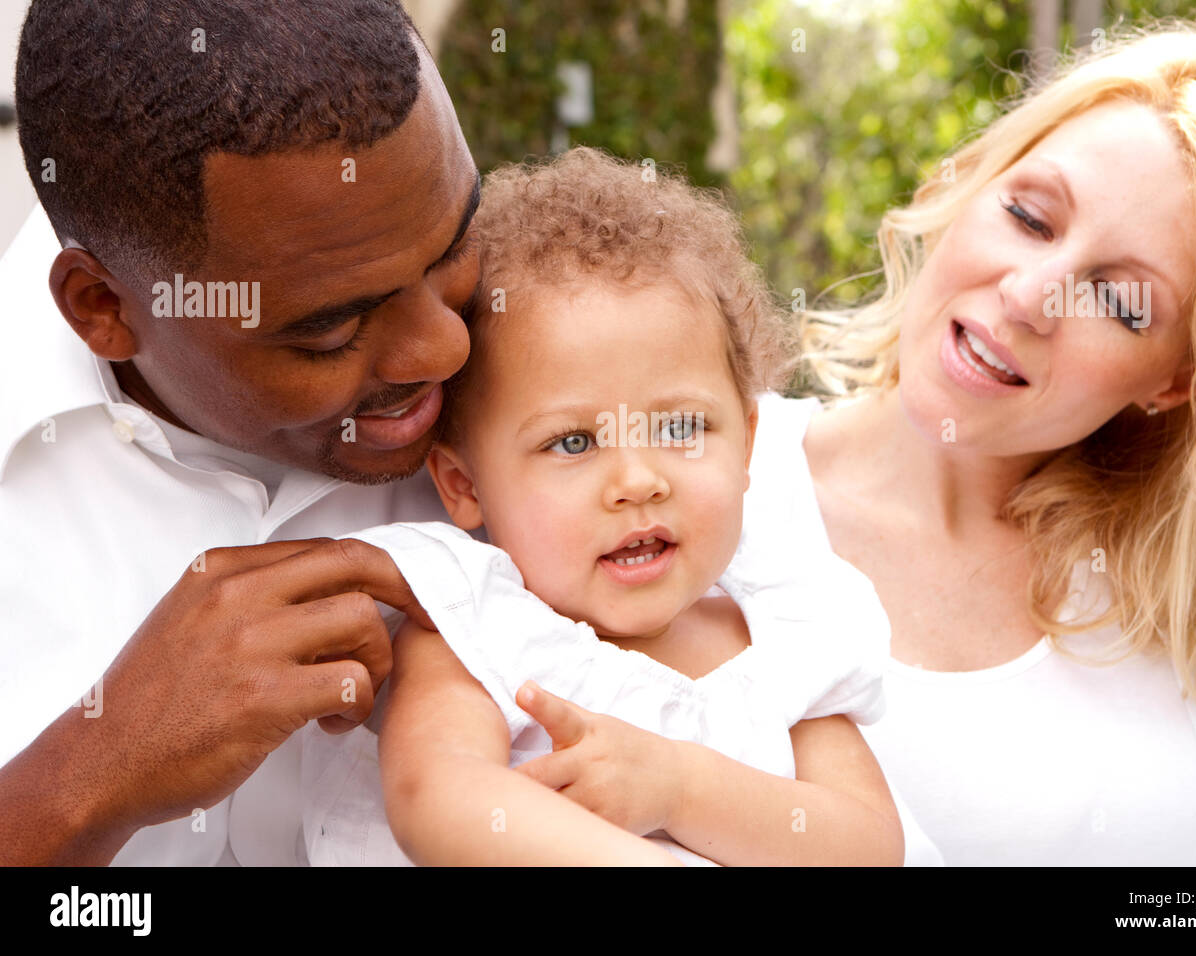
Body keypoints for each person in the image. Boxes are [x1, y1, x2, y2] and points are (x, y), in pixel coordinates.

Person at [780, 23, 1196, 864]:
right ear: (970, 185)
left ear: (1172, 383)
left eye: (1124, 303)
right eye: (1028, 215)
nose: (1028, 297)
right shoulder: (692, 492)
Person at [299, 148, 906, 866]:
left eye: (680, 427)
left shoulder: (782, 637)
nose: (638, 481)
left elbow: (867, 845)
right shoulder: (476, 628)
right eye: (574, 441)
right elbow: (442, 799)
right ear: (463, 486)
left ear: (747, 445)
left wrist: (678, 789)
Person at [0, 0, 479, 865]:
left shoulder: (561, 341)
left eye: (454, 248)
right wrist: (80, 782)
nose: (446, 346)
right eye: (333, 330)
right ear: (103, 308)